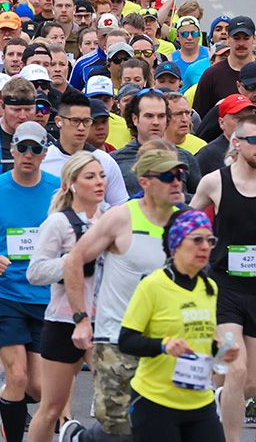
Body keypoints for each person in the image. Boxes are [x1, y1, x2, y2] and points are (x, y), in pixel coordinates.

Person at [60, 147, 187, 442]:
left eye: (180, 175)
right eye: (168, 176)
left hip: (169, 342)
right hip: (117, 339)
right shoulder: (120, 218)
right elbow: (75, 259)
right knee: (119, 429)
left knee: (164, 424)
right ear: (144, 182)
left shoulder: (186, 221)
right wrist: (81, 318)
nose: (177, 182)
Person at [0, 121, 60, 442]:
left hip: (45, 299)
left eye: (35, 149)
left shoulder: (58, 191)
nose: (28, 155)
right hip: (5, 295)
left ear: (45, 153)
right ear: (12, 150)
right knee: (15, 376)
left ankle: (20, 416)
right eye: (22, 148)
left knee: (37, 387)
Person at [118, 209, 229, 442]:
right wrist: (163, 345)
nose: (205, 247)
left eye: (210, 240)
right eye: (197, 239)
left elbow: (201, 343)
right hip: (155, 401)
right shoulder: (152, 286)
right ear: (176, 243)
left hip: (200, 401)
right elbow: (126, 341)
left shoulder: (210, 288)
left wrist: (222, 351)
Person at [25, 151, 105, 442]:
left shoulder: (110, 218)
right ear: (71, 183)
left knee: (119, 396)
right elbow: (35, 271)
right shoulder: (58, 222)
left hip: (104, 322)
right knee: (51, 407)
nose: (98, 183)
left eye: (101, 176)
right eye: (90, 177)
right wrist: (74, 262)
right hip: (63, 320)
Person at [190, 113, 256, 442]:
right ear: (237, 143)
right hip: (224, 287)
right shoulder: (215, 181)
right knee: (236, 367)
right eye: (253, 140)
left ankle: (215, 390)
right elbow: (187, 222)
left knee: (251, 382)